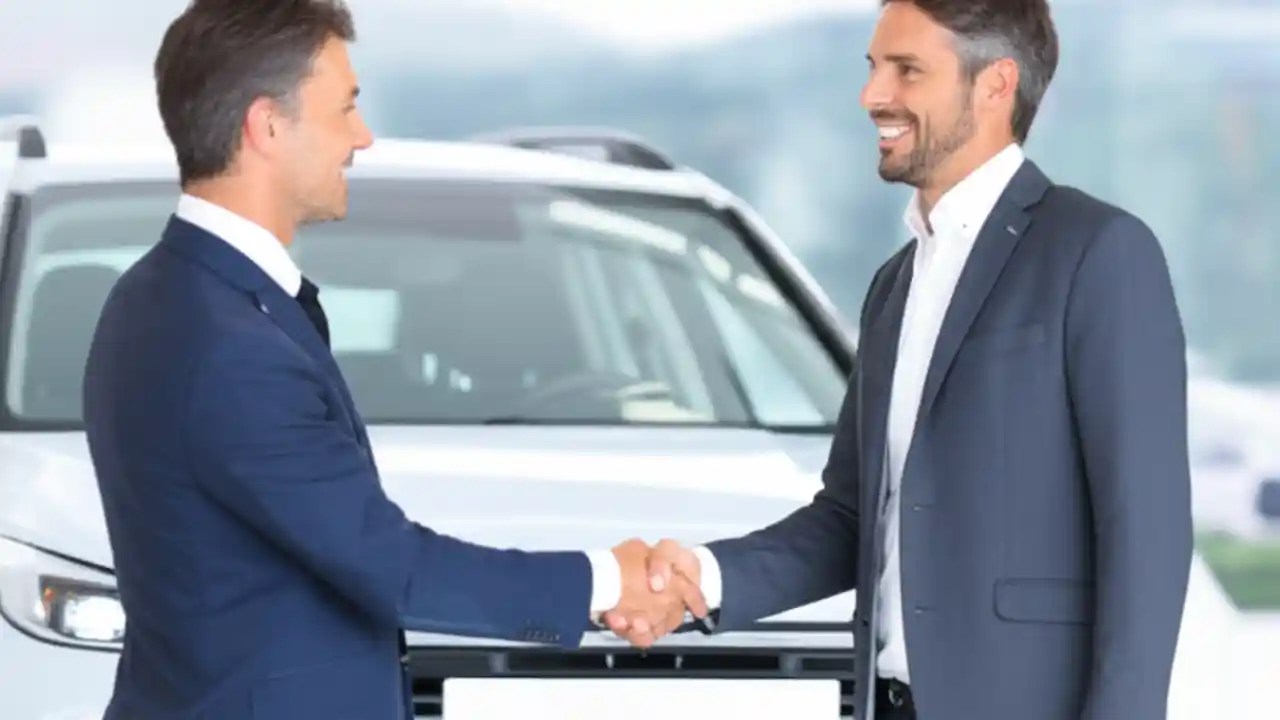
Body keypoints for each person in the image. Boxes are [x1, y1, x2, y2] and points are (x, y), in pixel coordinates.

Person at [82, 2, 698, 718]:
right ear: (268, 125)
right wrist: (603, 580)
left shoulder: (157, 296)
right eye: (345, 109)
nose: (362, 137)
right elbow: (390, 568)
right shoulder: (228, 343)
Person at [607, 1, 1194, 718]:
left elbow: (1146, 534)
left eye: (907, 70)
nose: (873, 95)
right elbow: (852, 518)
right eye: (873, 68)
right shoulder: (895, 283)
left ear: (996, 84)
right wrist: (704, 576)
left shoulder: (1097, 253)